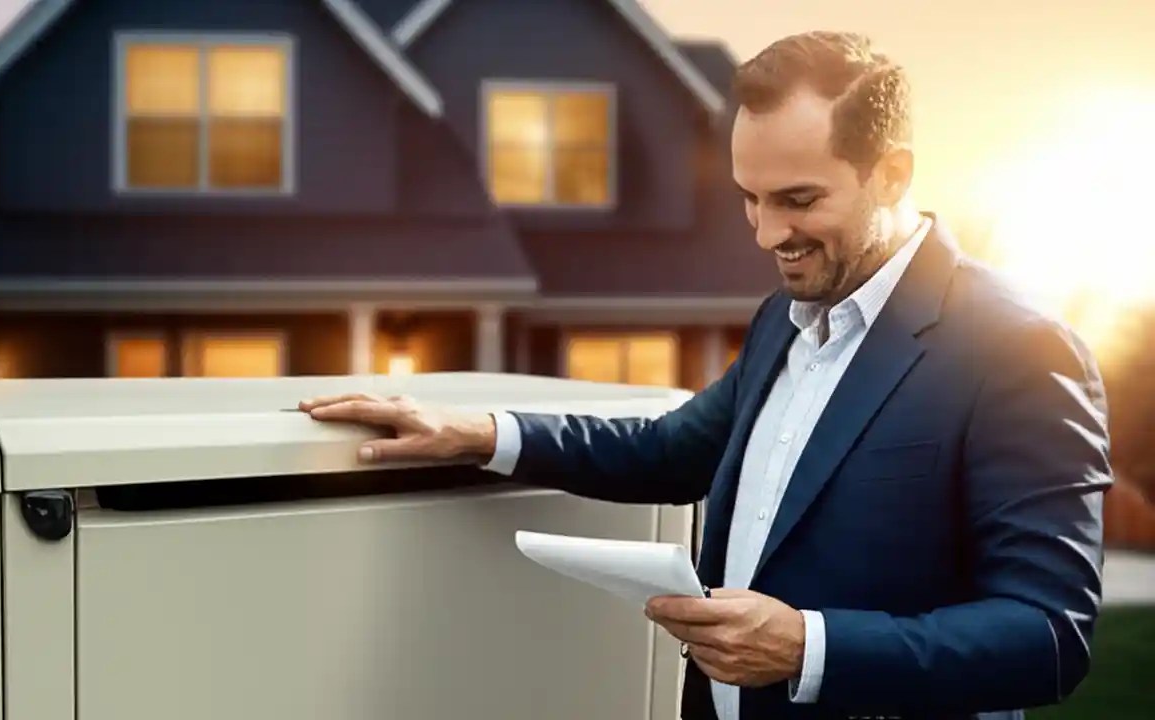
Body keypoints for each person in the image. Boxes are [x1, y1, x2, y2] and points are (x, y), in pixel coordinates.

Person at [299, 31, 1111, 720]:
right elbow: (672, 450)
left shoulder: (1020, 348)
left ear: (892, 174)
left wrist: (809, 644)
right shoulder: (780, 322)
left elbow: (1047, 633)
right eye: (748, 199)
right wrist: (481, 433)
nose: (766, 234)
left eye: (797, 199)